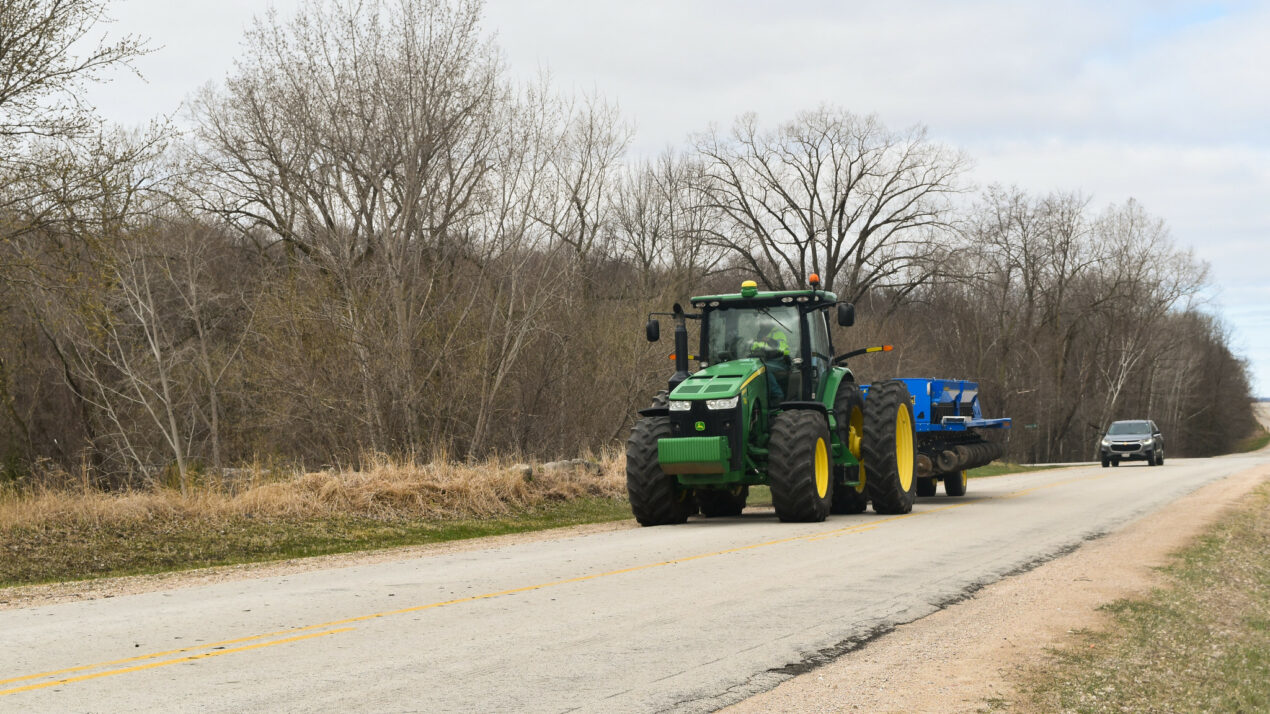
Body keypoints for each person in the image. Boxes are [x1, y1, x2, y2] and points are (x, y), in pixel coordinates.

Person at [751, 319, 791, 401]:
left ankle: (777, 394)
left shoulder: (778, 334)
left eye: (764, 323)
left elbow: (781, 348)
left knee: (764, 368)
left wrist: (769, 341)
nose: (762, 325)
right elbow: (753, 349)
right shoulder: (759, 336)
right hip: (763, 361)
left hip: (779, 361)